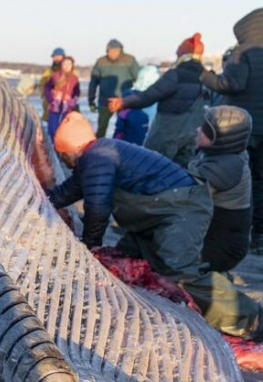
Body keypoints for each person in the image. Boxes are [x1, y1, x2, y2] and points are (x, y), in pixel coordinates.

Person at [46, 112, 262, 339]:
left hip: (180, 211)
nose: (63, 159)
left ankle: (252, 319)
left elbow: (98, 209)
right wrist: (44, 200)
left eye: (62, 155)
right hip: (156, 216)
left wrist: (90, 246)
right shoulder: (98, 154)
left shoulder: (97, 158)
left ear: (68, 150)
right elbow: (68, 191)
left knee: (178, 273)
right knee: (123, 258)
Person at [201, 7, 263, 251]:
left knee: (238, 180)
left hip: (243, 127)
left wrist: (206, 77)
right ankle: (260, 235)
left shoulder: (242, 51)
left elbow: (232, 84)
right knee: (261, 180)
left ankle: (237, 233)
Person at [107, 33, 208, 167]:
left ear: (182, 55)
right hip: (193, 136)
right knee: (184, 171)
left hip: (167, 134)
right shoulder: (208, 77)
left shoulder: (174, 75)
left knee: (153, 167)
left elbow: (149, 96)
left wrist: (123, 102)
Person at [189, 106, 253, 272]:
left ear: (222, 138)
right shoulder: (225, 153)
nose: (198, 130)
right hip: (215, 238)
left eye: (206, 130)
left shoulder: (226, 166)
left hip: (219, 249)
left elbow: (184, 196)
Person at [88, 38, 141, 137]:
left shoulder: (129, 60)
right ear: (107, 51)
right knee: (101, 127)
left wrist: (139, 98)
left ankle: (123, 144)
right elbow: (93, 82)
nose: (113, 53)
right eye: (110, 51)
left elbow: (139, 78)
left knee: (124, 126)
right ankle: (99, 144)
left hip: (124, 101)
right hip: (105, 101)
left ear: (120, 50)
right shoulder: (101, 61)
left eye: (116, 51)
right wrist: (91, 99)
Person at [43, 55, 80, 140]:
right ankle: (52, 144)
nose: (67, 66)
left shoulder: (74, 79)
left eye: (69, 64)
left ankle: (61, 145)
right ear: (61, 65)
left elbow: (77, 91)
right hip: (55, 106)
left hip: (67, 108)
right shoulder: (55, 76)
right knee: (53, 129)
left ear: (72, 66)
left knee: (64, 129)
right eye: (65, 64)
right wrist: (51, 99)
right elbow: (47, 87)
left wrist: (73, 100)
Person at [39, 46, 66, 125]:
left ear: (63, 57)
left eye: (59, 56)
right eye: (55, 56)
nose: (57, 58)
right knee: (50, 125)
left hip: (64, 103)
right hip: (50, 103)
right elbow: (42, 84)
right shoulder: (48, 71)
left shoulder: (68, 70)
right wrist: (46, 94)